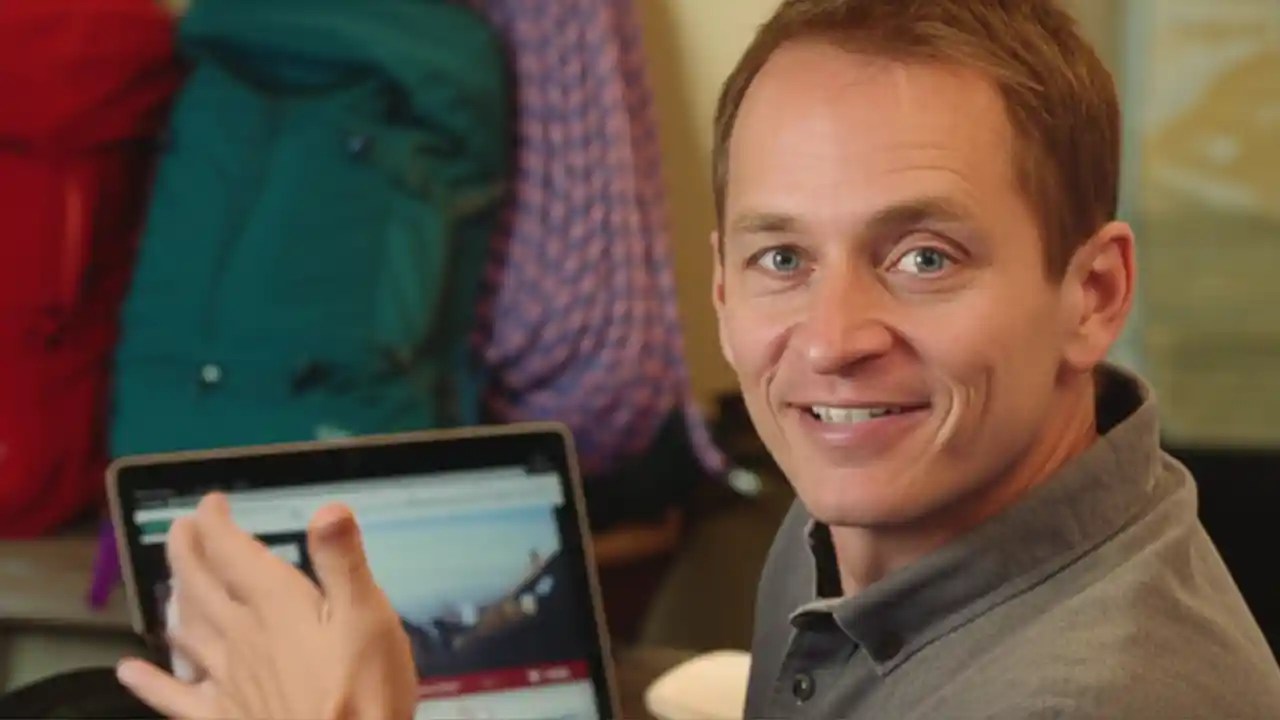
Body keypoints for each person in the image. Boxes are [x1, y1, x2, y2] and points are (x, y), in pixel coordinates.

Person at [115, 0, 1280, 718]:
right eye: (781, 259)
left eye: (922, 258)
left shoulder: (1089, 697)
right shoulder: (869, 510)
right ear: (718, 282)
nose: (829, 341)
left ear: (1092, 294)